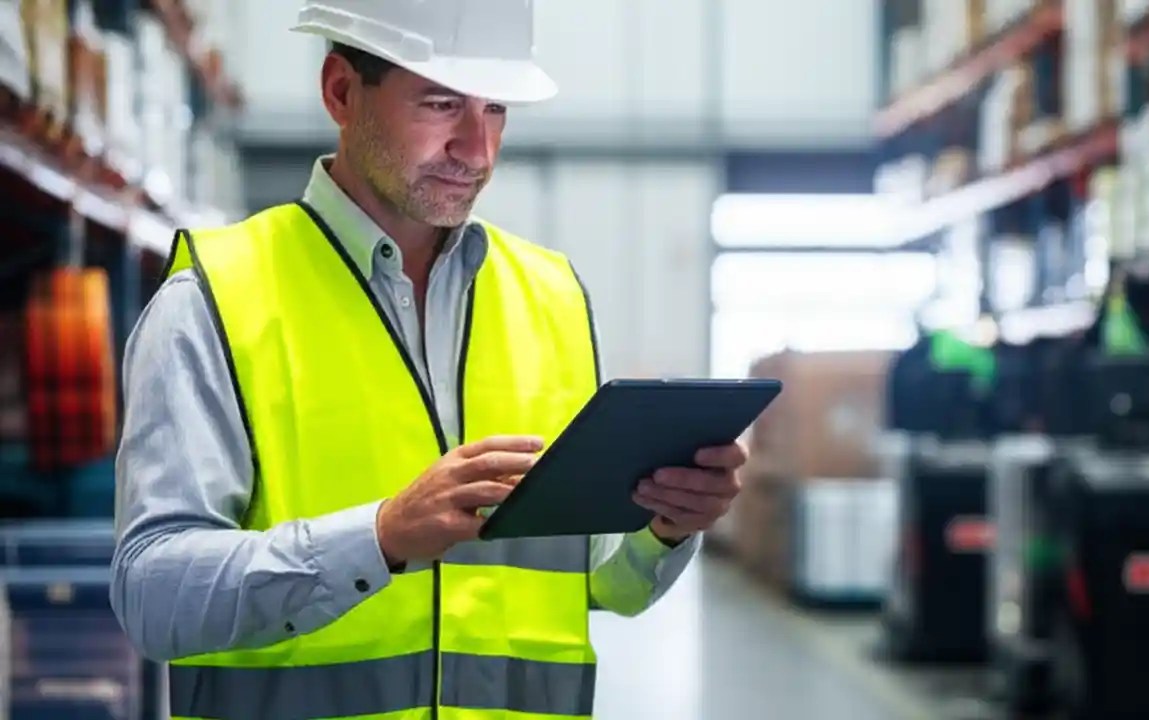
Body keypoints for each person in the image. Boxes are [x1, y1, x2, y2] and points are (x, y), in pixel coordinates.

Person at [109, 2, 747, 719]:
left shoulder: (552, 297)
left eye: (495, 108)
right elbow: (153, 596)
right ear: (342, 93)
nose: (476, 149)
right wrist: (378, 537)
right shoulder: (216, 301)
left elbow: (604, 585)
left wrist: (666, 527)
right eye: (442, 104)